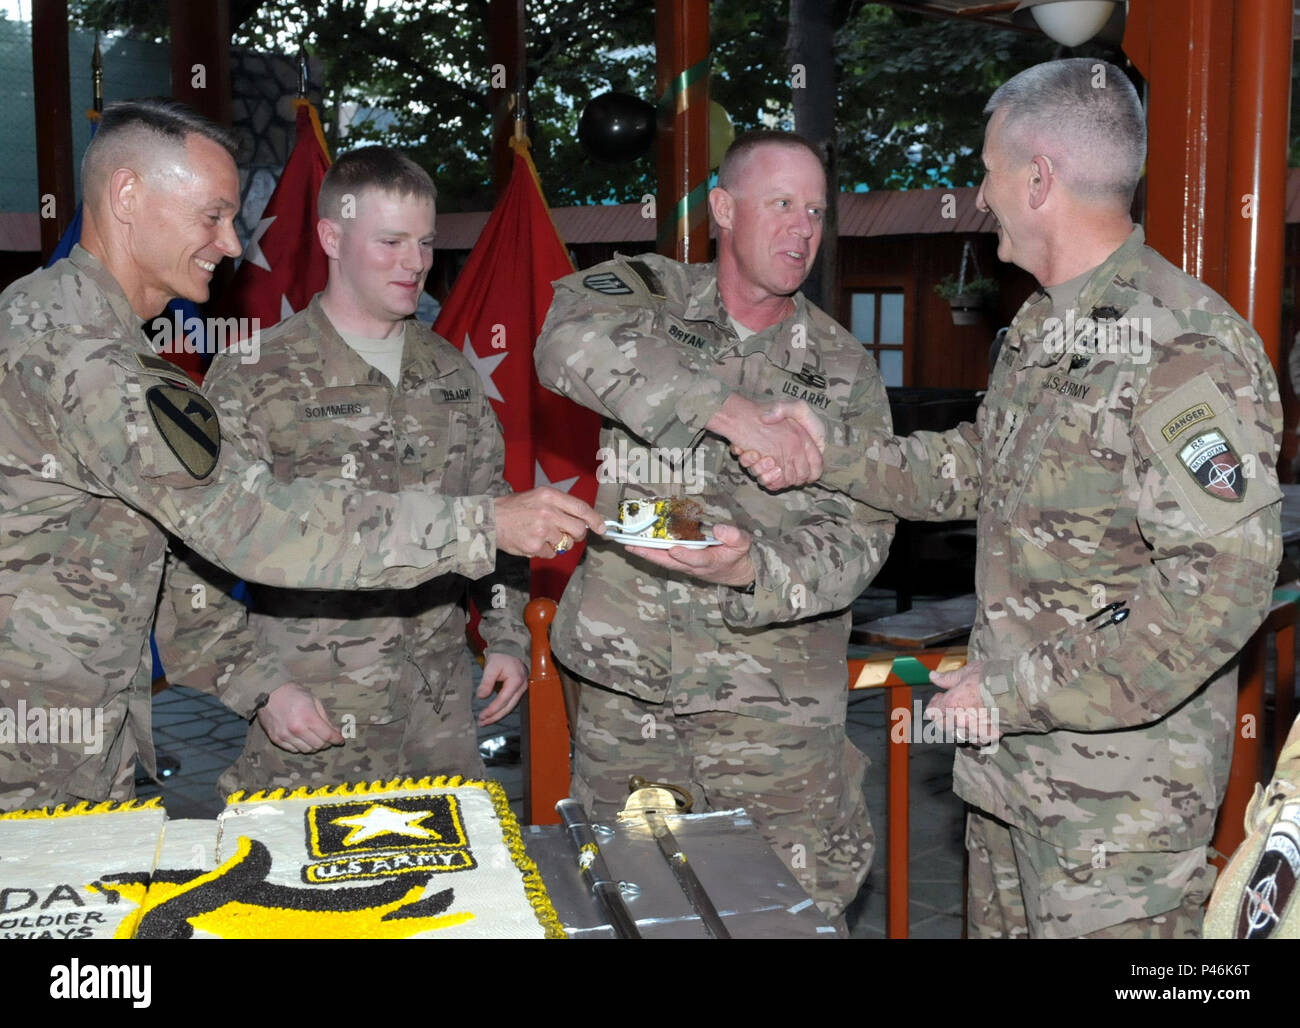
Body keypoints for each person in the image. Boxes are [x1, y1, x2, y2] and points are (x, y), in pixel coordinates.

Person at [741, 59, 1283, 938]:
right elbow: (978, 468)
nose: (979, 197)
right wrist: (827, 453)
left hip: (1114, 819)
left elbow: (1215, 595)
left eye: (987, 170)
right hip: (1009, 780)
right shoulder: (1043, 327)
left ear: (1038, 180)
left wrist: (1012, 693)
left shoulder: (1186, 348)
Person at [0, 100, 601, 812]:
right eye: (212, 216)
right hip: (39, 729)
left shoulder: (94, 336)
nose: (230, 244)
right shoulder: (81, 351)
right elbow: (244, 523)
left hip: (87, 713)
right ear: (128, 195)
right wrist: (481, 525)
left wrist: (499, 618)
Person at [534, 130, 896, 927]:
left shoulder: (842, 366)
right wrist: (732, 416)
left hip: (772, 705)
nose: (802, 227)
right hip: (633, 694)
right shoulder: (648, 295)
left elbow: (864, 531)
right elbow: (563, 344)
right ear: (724, 211)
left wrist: (753, 572)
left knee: (785, 913)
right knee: (631, 907)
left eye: (815, 210)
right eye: (781, 204)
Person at [157, 147, 529, 793]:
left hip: (439, 713)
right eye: (391, 241)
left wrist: (505, 636)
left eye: (425, 242)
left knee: (453, 883)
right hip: (313, 711)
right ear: (332, 236)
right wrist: (259, 688)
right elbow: (189, 557)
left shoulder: (450, 372)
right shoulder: (254, 375)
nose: (415, 263)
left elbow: (496, 514)